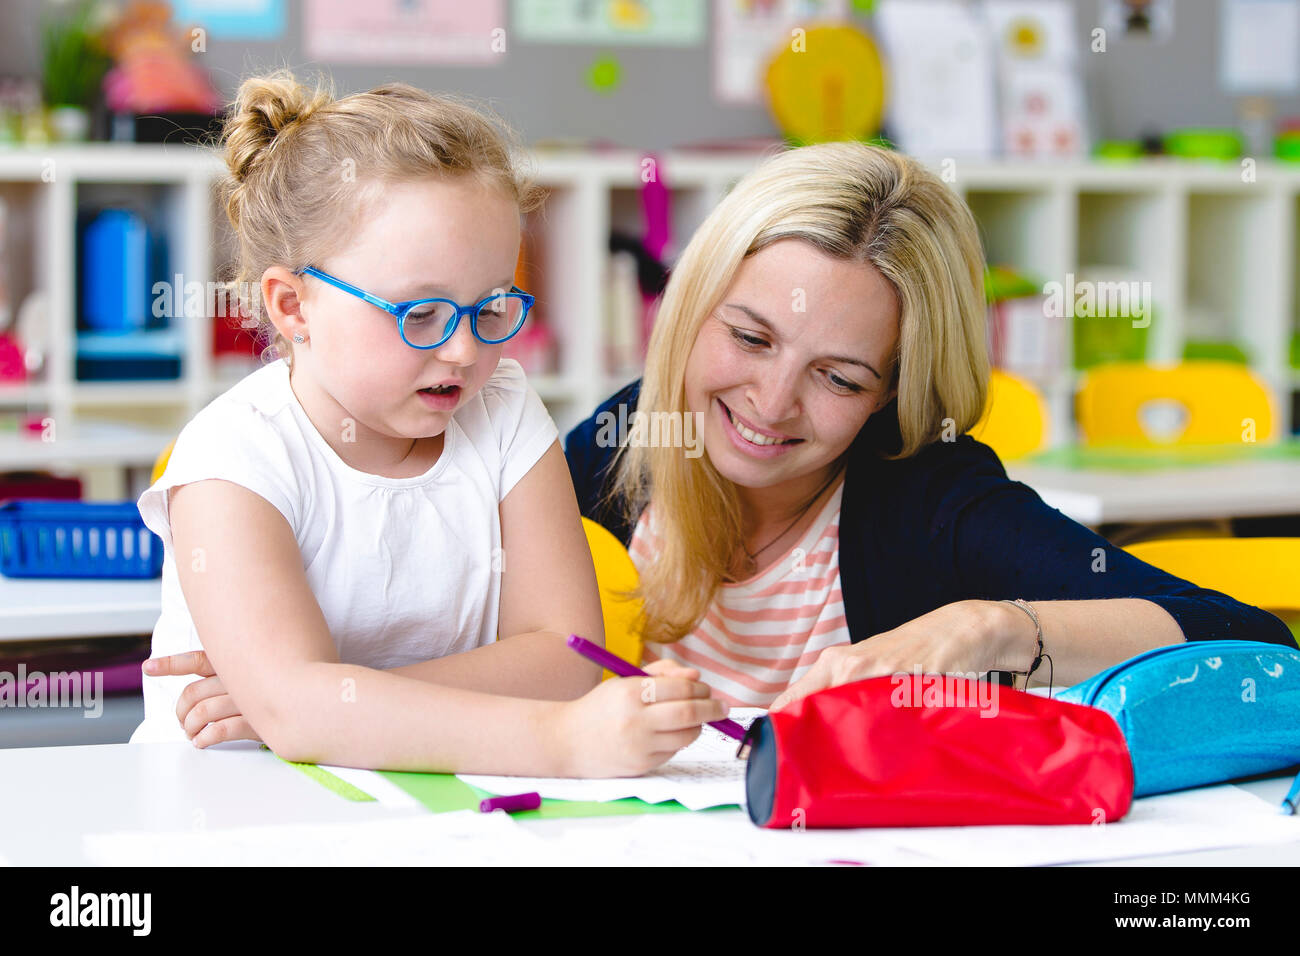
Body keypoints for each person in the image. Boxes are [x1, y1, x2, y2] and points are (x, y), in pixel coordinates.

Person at [130, 69, 723, 776]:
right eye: (421, 314)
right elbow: (294, 713)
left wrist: (323, 704)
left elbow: (564, 656)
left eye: (492, 308)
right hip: (231, 808)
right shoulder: (234, 455)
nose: (466, 350)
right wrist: (561, 742)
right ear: (293, 306)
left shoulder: (500, 407)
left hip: (434, 801)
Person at [564, 141, 1296, 711]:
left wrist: (989, 629)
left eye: (840, 378)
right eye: (751, 339)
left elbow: (1254, 645)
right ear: (692, 306)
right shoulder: (637, 436)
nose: (772, 401)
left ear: (891, 391)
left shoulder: (930, 503)